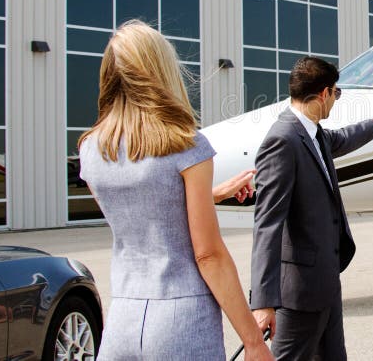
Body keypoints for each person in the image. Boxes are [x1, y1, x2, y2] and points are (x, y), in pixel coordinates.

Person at [78, 20, 272, 361]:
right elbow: (208, 255)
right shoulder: (186, 144)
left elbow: (139, 211)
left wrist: (213, 194)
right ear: (162, 70)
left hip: (122, 319)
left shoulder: (91, 149)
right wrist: (253, 341)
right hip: (181, 320)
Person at [250, 56, 373, 360]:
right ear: (324, 94)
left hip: (326, 281)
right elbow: (267, 224)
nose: (335, 101)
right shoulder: (283, 140)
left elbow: (341, 138)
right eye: (336, 93)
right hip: (299, 292)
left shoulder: (313, 133)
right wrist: (263, 301)